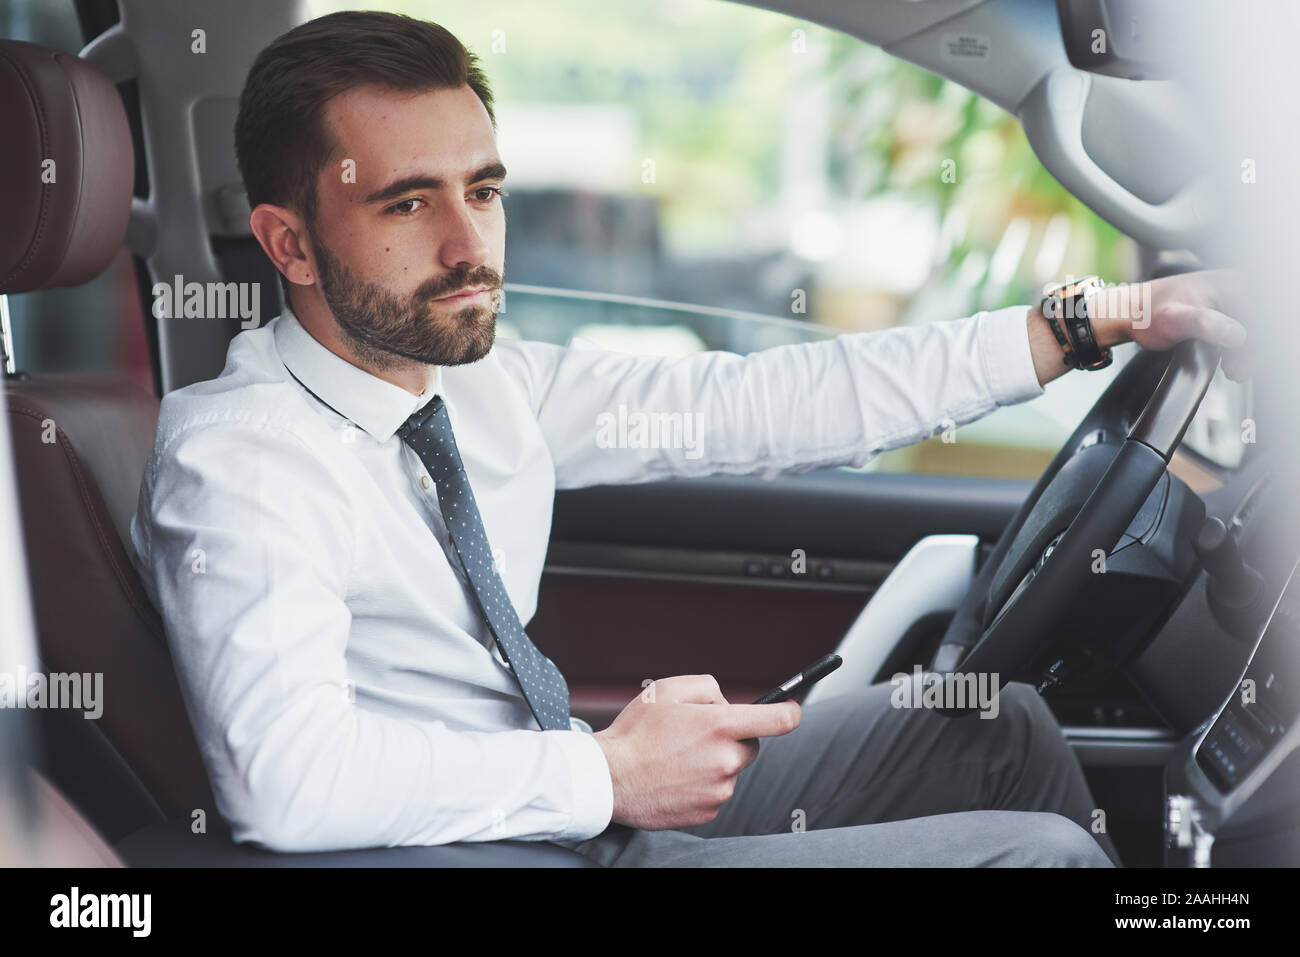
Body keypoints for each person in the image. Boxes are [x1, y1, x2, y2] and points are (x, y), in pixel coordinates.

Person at [131, 10, 1246, 866]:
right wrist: (605, 774)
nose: (470, 245)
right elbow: (285, 782)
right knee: (1036, 859)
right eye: (408, 204)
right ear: (288, 243)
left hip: (566, 813)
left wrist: (1089, 322)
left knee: (989, 727)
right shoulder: (240, 461)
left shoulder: (480, 387)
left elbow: (768, 403)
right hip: (485, 849)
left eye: (483, 189)